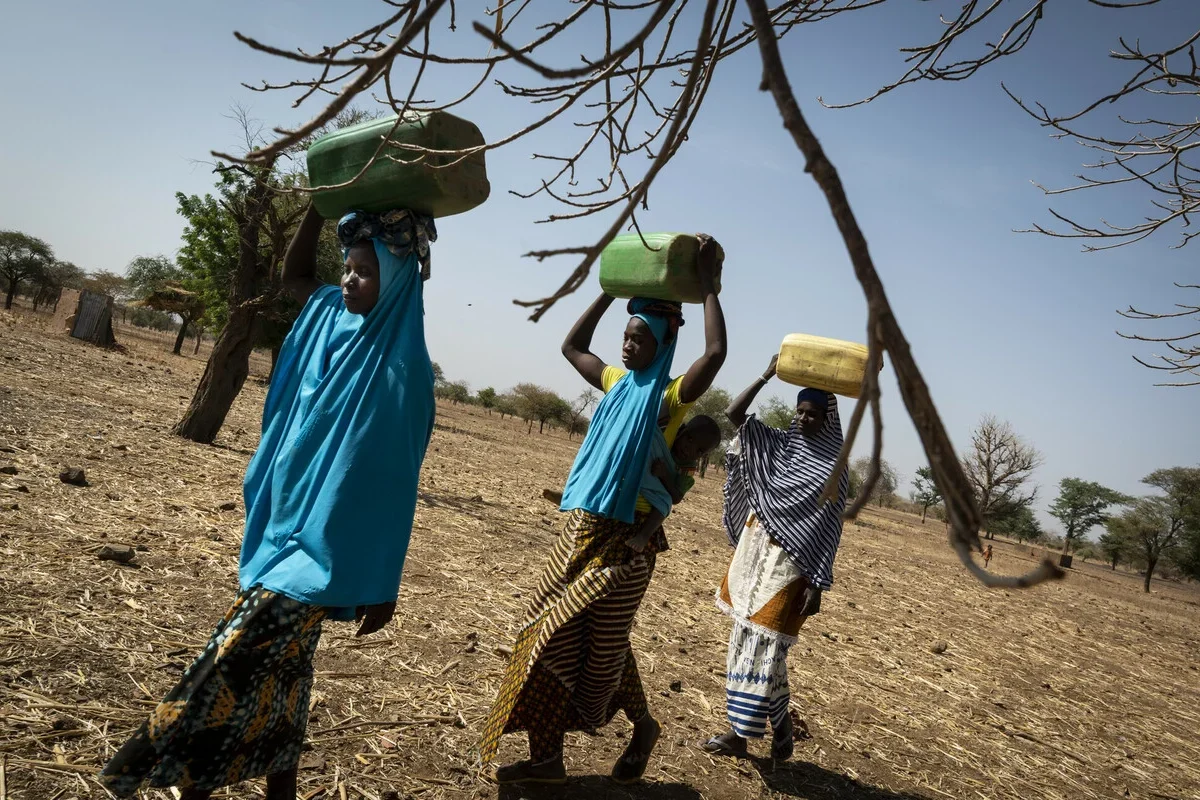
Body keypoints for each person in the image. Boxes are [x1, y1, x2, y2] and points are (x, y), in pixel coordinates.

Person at [99, 205, 438, 800]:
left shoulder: (402, 369)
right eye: (349, 267)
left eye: (365, 271)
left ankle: (152, 768)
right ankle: (280, 785)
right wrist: (317, 204)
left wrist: (382, 582)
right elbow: (296, 276)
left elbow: (391, 485)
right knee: (283, 672)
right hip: (283, 527)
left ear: (399, 277)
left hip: (324, 558)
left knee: (229, 660)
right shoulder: (332, 315)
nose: (349, 280)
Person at [480, 235, 727, 784]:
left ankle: (632, 730)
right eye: (625, 336)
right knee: (554, 633)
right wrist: (611, 290)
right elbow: (571, 347)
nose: (628, 346)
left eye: (640, 339)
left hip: (631, 540)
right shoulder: (616, 384)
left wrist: (709, 287)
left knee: (596, 641)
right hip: (584, 526)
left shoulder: (666, 400)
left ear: (661, 344)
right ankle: (552, 758)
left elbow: (713, 356)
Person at [702, 354, 849, 762]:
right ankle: (781, 727)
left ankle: (739, 734)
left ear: (829, 420)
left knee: (766, 648)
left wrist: (819, 584)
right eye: (800, 411)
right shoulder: (778, 444)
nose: (804, 419)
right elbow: (734, 412)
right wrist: (767, 374)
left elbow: (829, 531)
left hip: (790, 571)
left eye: (814, 414)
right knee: (745, 642)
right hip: (753, 556)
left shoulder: (833, 469)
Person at [625, 415, 722, 553]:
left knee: (665, 504)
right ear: (682, 430)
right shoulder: (666, 437)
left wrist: (665, 475)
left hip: (660, 492)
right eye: (689, 439)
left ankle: (643, 536)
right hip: (638, 479)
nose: (690, 449)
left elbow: (677, 497)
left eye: (699, 451)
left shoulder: (688, 468)